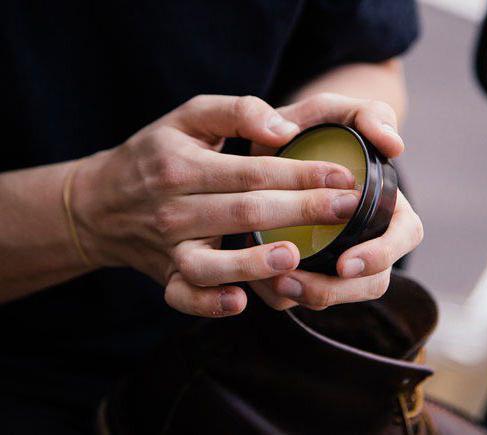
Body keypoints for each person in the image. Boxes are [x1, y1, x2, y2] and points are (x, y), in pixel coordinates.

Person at [0, 1, 422, 433]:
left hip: (270, 354)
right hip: (32, 364)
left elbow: (367, 56)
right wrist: (82, 213)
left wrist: (333, 140)